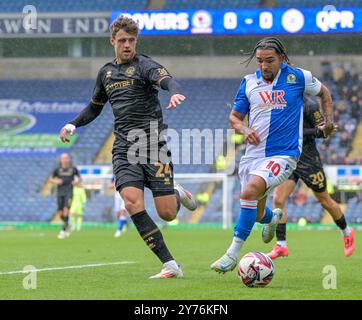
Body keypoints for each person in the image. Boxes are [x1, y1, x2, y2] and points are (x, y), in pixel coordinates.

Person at [59, 16, 197, 278]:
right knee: (132, 202)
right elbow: (94, 107)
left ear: (136, 41)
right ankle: (170, 265)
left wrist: (174, 91)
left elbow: (166, 79)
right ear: (112, 41)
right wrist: (72, 124)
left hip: (153, 145)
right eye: (122, 40)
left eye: (131, 40)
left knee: (167, 214)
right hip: (124, 147)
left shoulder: (145, 65)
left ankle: (175, 192)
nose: (127, 45)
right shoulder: (106, 73)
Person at [211, 37, 335, 273]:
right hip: (253, 156)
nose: (264, 66)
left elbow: (325, 94)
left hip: (285, 155)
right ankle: (271, 218)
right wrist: (245, 129)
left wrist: (328, 123)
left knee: (248, 192)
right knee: (256, 212)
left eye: (270, 60)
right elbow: (234, 118)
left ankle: (232, 254)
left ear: (281, 58)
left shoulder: (297, 77)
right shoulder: (248, 83)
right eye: (260, 61)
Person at [267, 97, 355, 259]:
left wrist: (298, 133)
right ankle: (281, 246)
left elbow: (323, 131)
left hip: (308, 159)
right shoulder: (283, 102)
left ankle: (347, 232)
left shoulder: (310, 105)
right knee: (278, 199)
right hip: (289, 157)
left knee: (324, 200)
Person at [49, 153, 80, 239]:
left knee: (66, 210)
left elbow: (79, 178)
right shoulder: (57, 170)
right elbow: (51, 178)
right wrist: (56, 181)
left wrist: (77, 182)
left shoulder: (73, 169)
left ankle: (63, 230)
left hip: (69, 192)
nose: (65, 160)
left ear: (69, 159)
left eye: (66, 158)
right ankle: (67, 224)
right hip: (60, 192)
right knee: (60, 213)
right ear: (60, 160)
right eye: (63, 158)